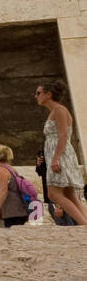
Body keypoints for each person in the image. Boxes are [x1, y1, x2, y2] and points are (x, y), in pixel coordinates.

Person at [36, 81, 87, 226]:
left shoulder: (59, 110)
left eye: (38, 93)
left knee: (53, 193)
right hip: (58, 154)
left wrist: (55, 159)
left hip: (61, 155)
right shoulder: (55, 111)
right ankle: (85, 223)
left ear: (48, 94)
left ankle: (83, 225)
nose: (36, 96)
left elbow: (63, 135)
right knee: (70, 194)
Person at [0, 144, 30, 228]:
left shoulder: (1, 170)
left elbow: (3, 190)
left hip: (12, 211)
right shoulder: (11, 168)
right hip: (18, 210)